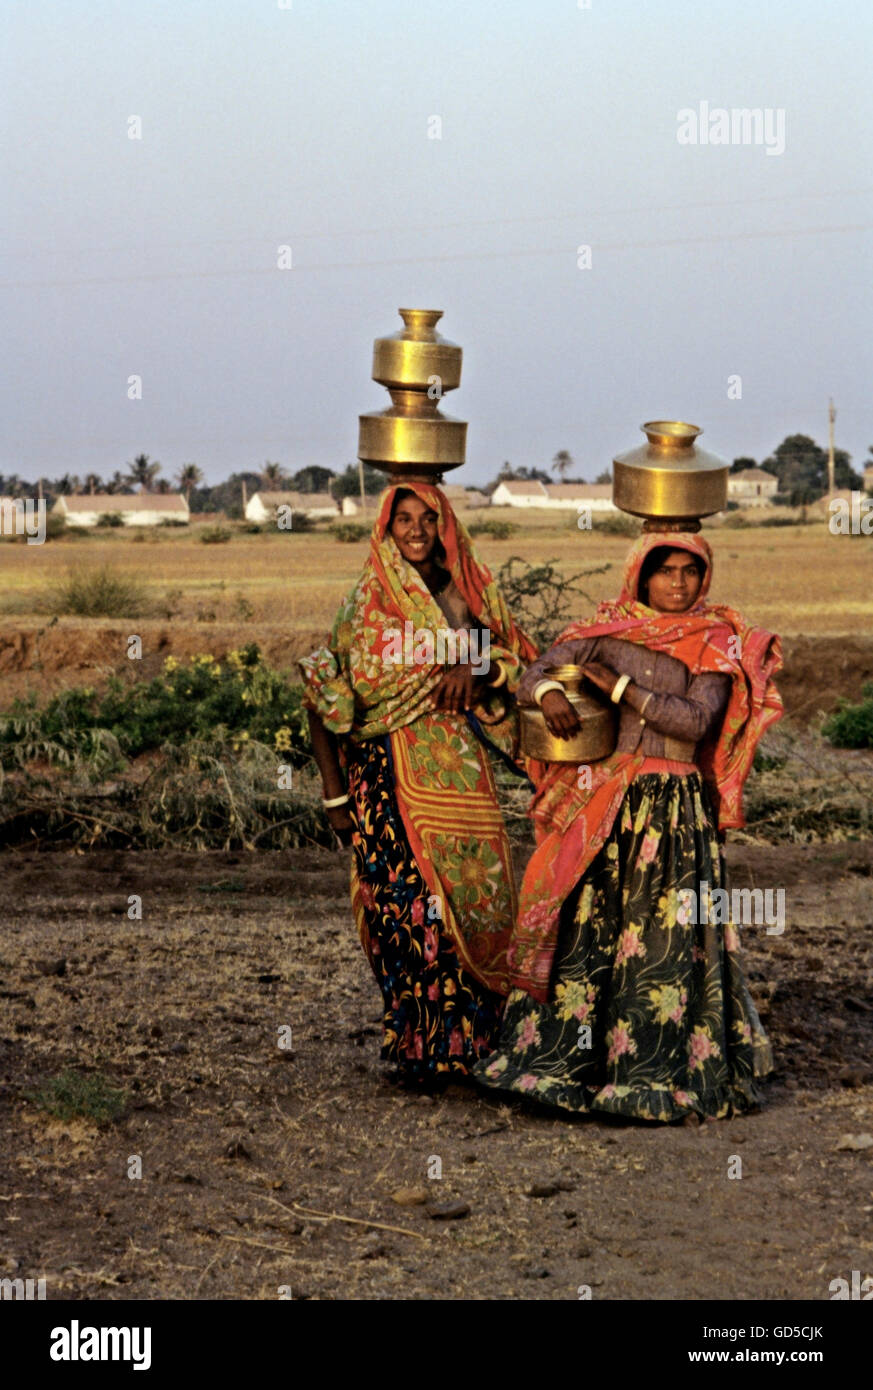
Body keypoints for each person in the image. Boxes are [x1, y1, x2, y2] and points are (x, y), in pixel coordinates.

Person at [473, 531, 783, 1123]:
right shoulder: (609, 630)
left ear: (704, 577)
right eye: (664, 571)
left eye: (690, 572)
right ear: (641, 575)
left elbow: (692, 722)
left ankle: (648, 1078)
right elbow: (537, 668)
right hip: (608, 804)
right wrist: (547, 691)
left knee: (664, 934)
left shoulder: (718, 641)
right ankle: (568, 1067)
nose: (677, 583)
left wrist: (617, 687)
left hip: (673, 809)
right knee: (592, 926)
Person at [299, 482, 537, 1088]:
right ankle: (419, 1046)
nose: (414, 529)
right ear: (385, 526)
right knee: (402, 908)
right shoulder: (367, 601)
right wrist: (334, 794)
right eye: (401, 518)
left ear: (444, 524)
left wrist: (470, 665)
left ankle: (476, 1043)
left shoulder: (468, 588)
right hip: (384, 774)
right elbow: (325, 691)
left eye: (426, 517)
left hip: (456, 772)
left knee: (475, 899)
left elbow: (512, 659)